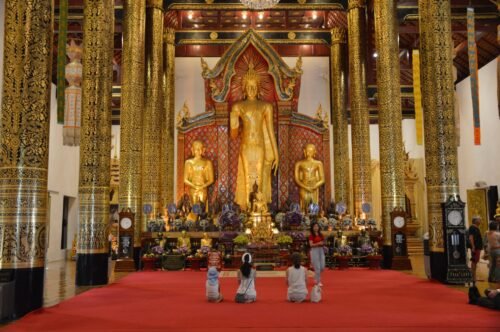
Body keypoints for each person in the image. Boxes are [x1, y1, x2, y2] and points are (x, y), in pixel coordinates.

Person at [230, 62, 279, 211]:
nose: (251, 89)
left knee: (259, 177)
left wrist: (276, 154)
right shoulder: (238, 106)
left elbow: (270, 131)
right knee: (247, 179)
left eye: (254, 86)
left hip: (260, 146)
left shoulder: (266, 106)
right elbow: (233, 135)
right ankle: (247, 211)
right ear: (244, 87)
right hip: (246, 146)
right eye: (248, 86)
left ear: (258, 87)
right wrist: (233, 122)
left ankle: (259, 209)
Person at [294, 144, 325, 212]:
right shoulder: (299, 163)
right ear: (304, 151)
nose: (309, 153)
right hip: (304, 186)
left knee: (313, 207)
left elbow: (322, 179)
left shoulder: (318, 163)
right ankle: (304, 216)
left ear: (315, 152)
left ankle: (313, 218)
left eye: (311, 151)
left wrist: (315, 186)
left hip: (314, 187)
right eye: (307, 151)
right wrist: (306, 187)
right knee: (304, 205)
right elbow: (296, 179)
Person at [184, 140, 214, 209]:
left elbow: (211, 179)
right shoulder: (188, 162)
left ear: (203, 150)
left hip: (203, 189)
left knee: (202, 209)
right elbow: (185, 179)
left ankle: (202, 219)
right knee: (194, 209)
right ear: (192, 149)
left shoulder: (207, 162)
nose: (198, 151)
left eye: (200, 148)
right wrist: (194, 186)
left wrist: (202, 186)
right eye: (196, 149)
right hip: (193, 189)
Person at [309, 221, 325, 286]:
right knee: (317, 267)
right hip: (314, 250)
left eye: (317, 226)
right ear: (312, 228)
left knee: (322, 266)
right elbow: (311, 244)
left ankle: (316, 276)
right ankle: (318, 281)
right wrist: (318, 243)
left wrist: (322, 243)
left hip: (321, 250)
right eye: (315, 226)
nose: (316, 228)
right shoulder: (311, 236)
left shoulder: (321, 235)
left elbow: (323, 242)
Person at [467, 216, 483, 282]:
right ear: (475, 220)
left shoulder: (476, 228)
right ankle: (473, 277)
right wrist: (473, 246)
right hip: (475, 247)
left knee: (475, 261)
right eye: (479, 219)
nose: (481, 220)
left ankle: (474, 276)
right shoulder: (472, 227)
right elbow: (471, 237)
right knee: (474, 261)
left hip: (477, 247)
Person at [486, 221, 500, 287]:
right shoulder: (497, 234)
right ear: (495, 226)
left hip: (491, 251)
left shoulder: (488, 233)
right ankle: (497, 278)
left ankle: (490, 278)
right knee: (498, 265)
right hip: (498, 250)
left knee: (493, 265)